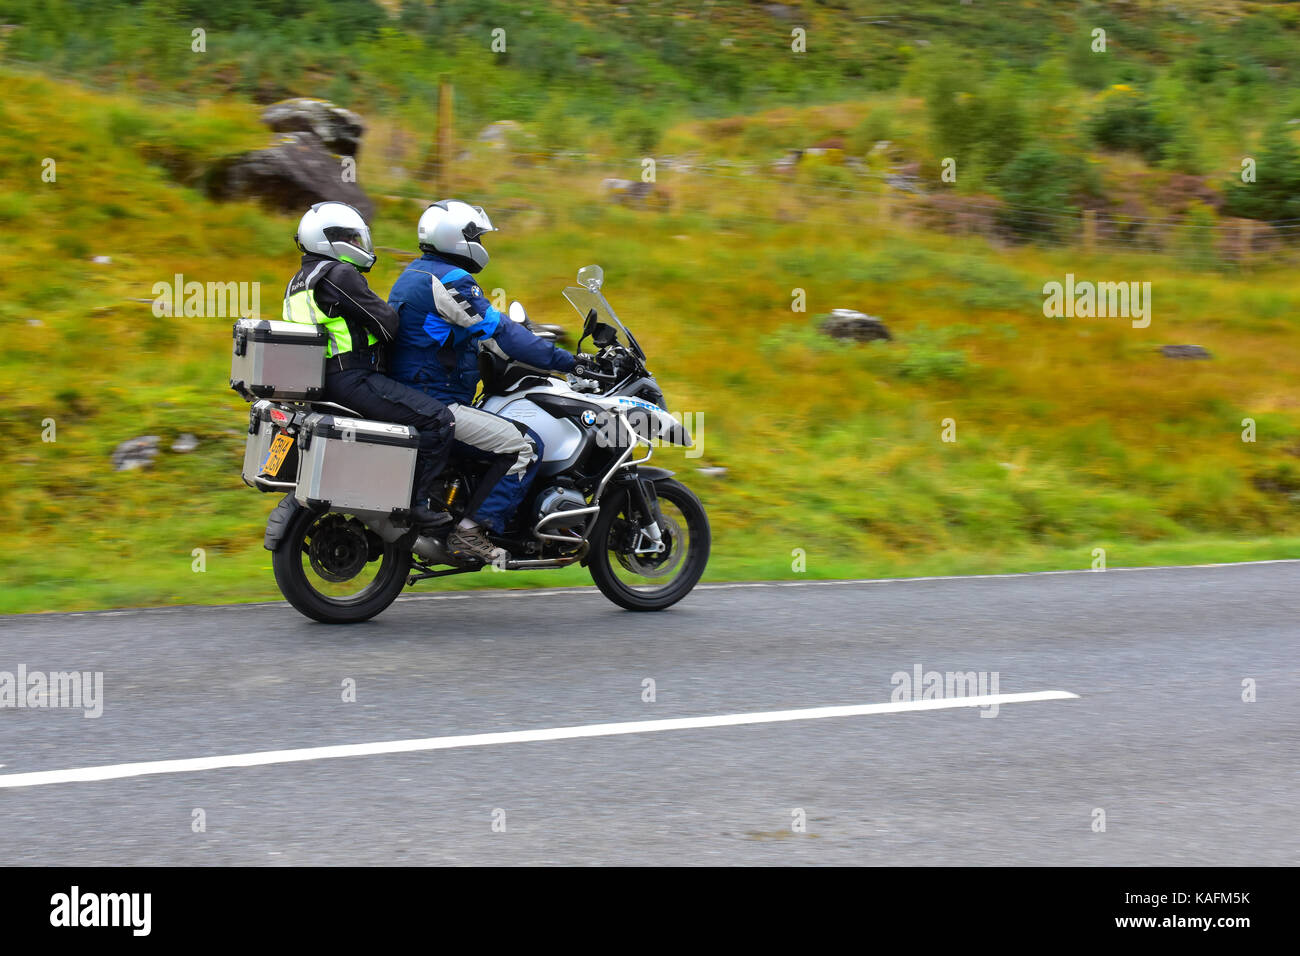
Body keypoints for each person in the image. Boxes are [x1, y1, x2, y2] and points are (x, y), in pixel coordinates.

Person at [387, 199, 581, 564]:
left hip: (412, 395)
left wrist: (524, 336)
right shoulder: (450, 279)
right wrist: (567, 361)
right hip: (434, 400)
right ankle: (471, 532)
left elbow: (472, 331)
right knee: (525, 446)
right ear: (457, 238)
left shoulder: (415, 273)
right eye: (477, 236)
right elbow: (501, 331)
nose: (482, 244)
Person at [283, 201, 454, 531]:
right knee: (439, 421)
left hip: (324, 379)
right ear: (330, 240)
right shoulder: (339, 274)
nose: (359, 246)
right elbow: (387, 322)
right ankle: (416, 505)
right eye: (352, 238)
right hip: (354, 378)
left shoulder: (299, 281)